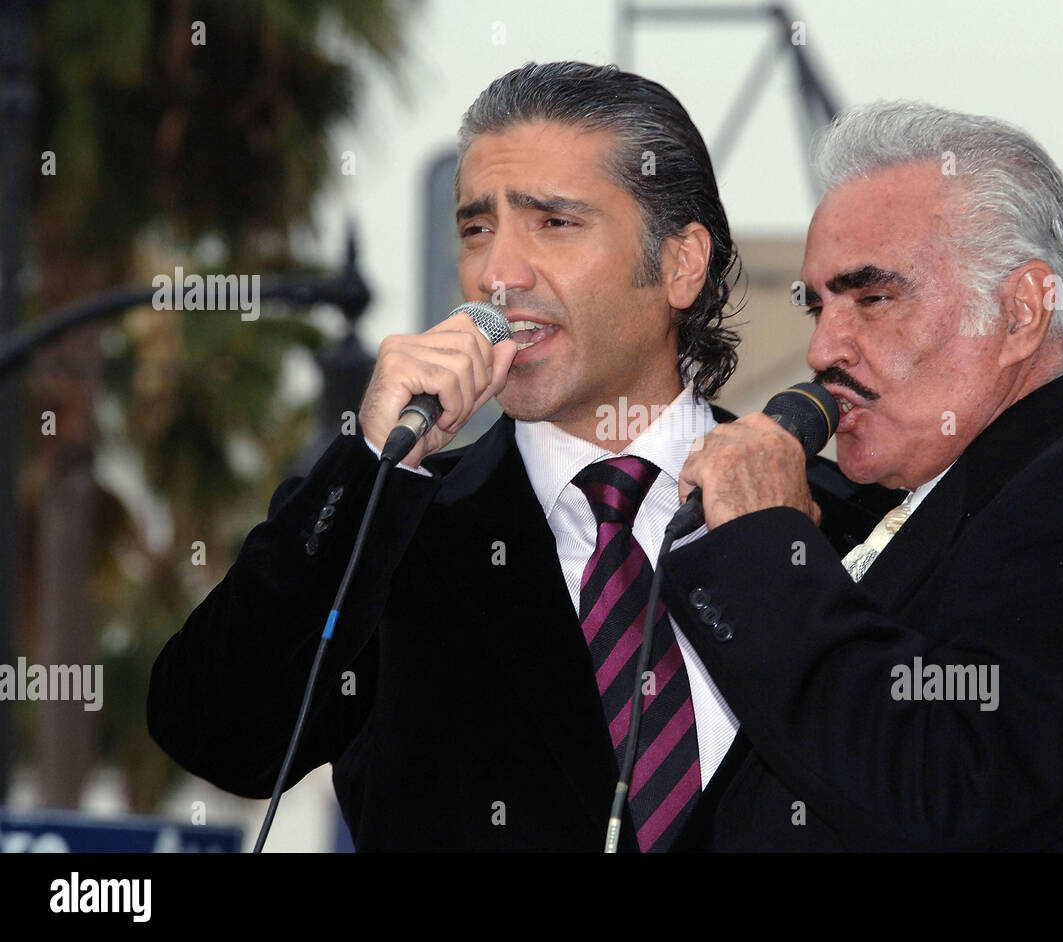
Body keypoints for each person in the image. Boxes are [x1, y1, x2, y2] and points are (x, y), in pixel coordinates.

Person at [147, 61, 875, 852]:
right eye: (476, 229)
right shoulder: (388, 529)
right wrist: (368, 462)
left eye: (553, 223)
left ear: (680, 265)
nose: (497, 274)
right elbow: (216, 733)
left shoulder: (852, 523)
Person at [658, 101, 1063, 851]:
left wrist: (764, 548)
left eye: (874, 297)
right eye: (818, 304)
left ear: (1020, 313)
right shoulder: (930, 504)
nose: (824, 346)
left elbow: (945, 793)